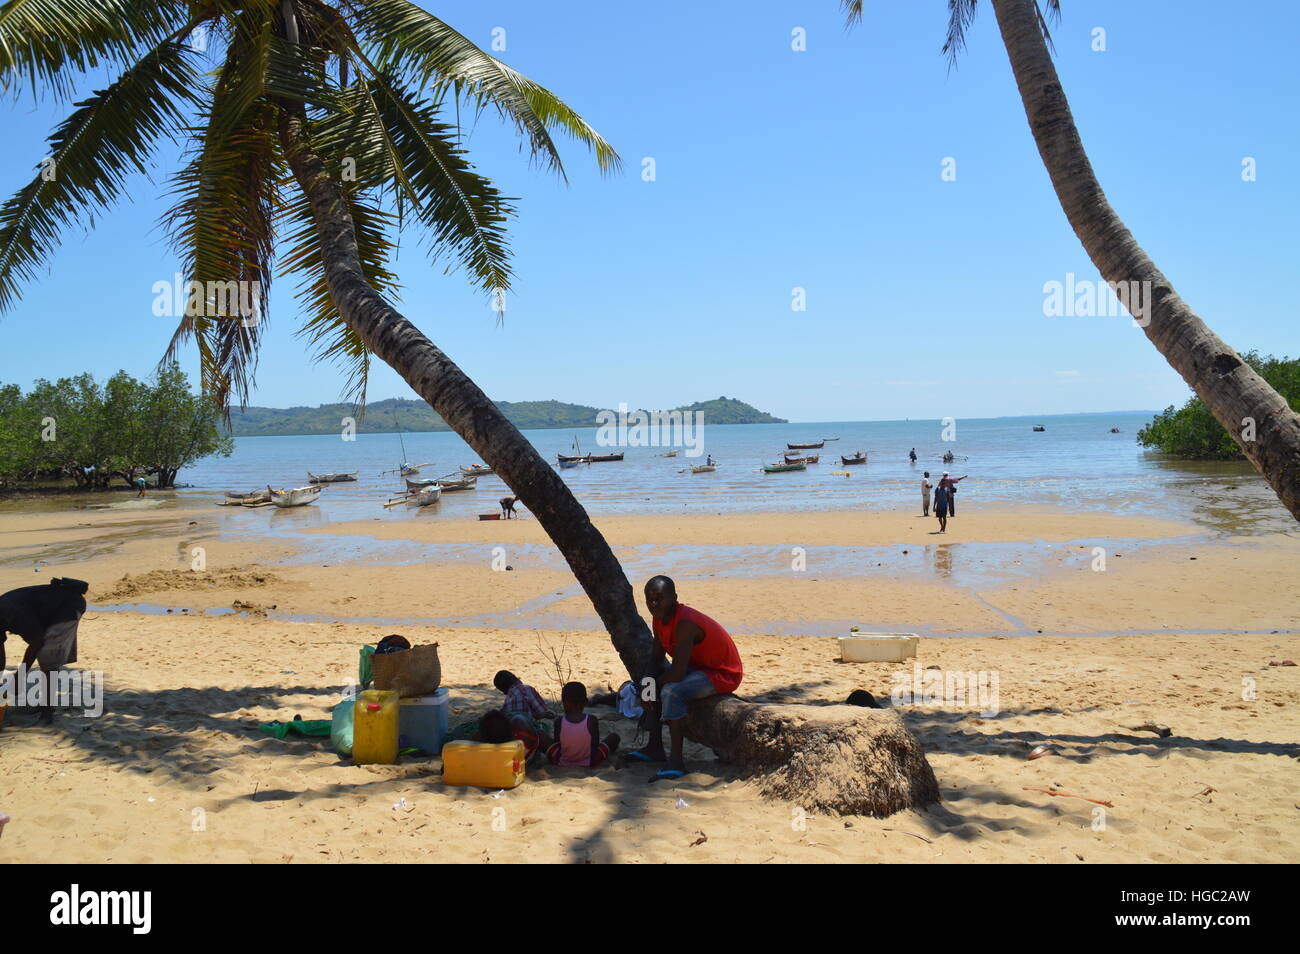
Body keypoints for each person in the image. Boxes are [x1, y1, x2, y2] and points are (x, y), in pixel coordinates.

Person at [627, 575, 743, 779]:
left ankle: (677, 761)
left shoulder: (685, 623)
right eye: (650, 599)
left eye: (659, 598)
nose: (654, 604)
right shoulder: (659, 620)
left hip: (722, 673)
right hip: (698, 668)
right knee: (652, 683)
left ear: (674, 598)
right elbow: (655, 659)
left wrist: (654, 686)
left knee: (672, 691)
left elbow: (678, 673)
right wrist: (647, 686)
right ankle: (654, 747)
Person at [0, 578, 87, 726]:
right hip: (43, 611)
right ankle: (44, 706)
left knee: (48, 659)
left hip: (68, 607)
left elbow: (37, 642)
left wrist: (20, 676)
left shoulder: (12, 611)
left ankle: (47, 715)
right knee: (44, 653)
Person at [546, 682, 620, 767]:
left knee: (541, 734)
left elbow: (558, 745)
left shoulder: (559, 722)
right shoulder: (591, 720)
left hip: (562, 761)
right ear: (585, 702)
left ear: (564, 702)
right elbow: (595, 746)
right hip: (591, 761)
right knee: (614, 737)